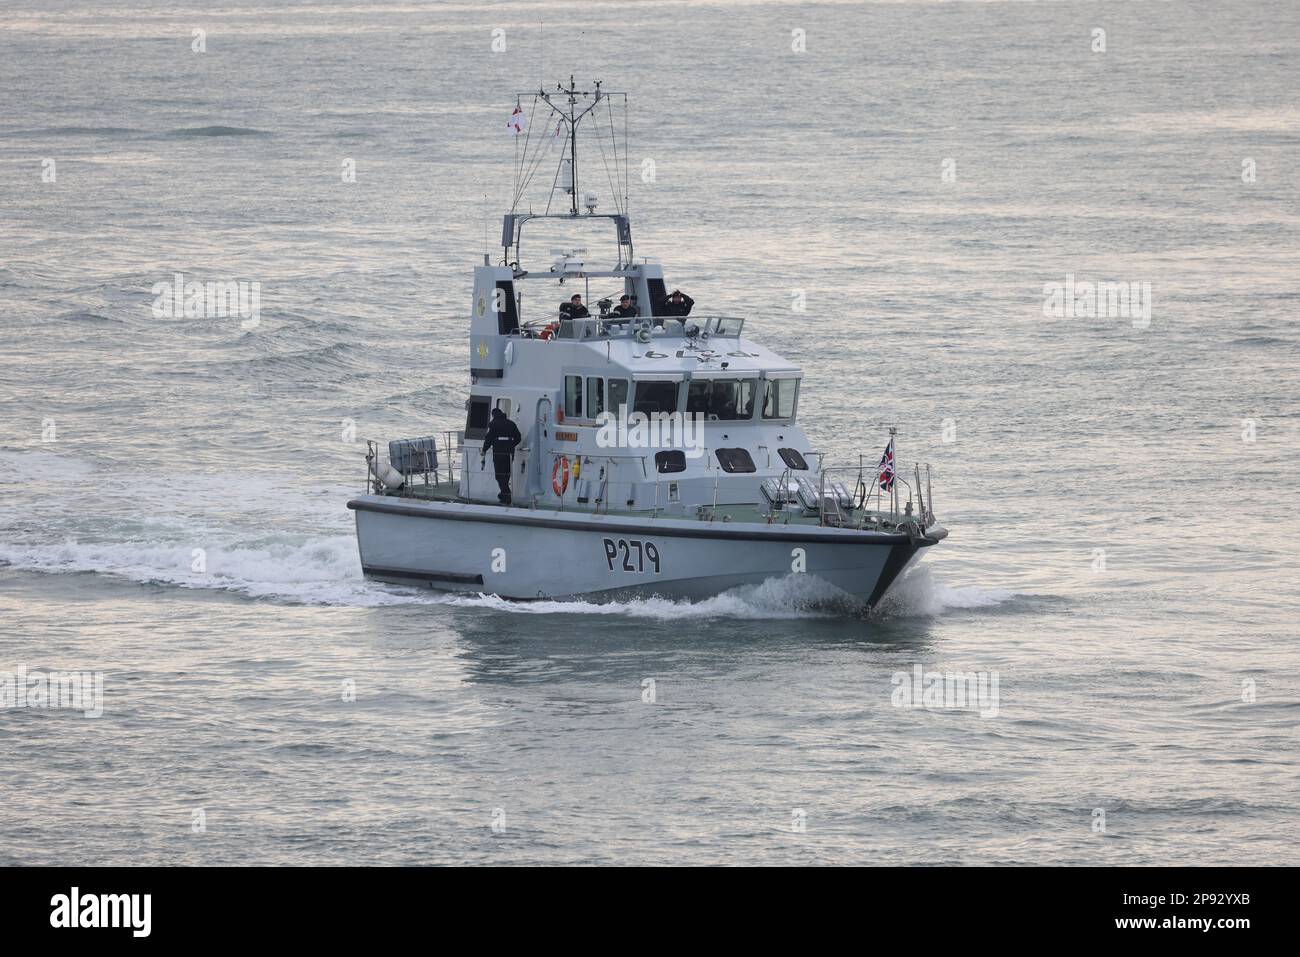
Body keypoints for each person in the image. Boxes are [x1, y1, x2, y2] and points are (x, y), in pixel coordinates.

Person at [480, 407, 522, 504]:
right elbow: (518, 437)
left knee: (499, 475)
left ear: (493, 415)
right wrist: (511, 444)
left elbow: (489, 439)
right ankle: (503, 495)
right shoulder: (511, 424)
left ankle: (506, 494)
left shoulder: (493, 424)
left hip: (499, 451)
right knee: (506, 474)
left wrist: (484, 450)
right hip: (510, 452)